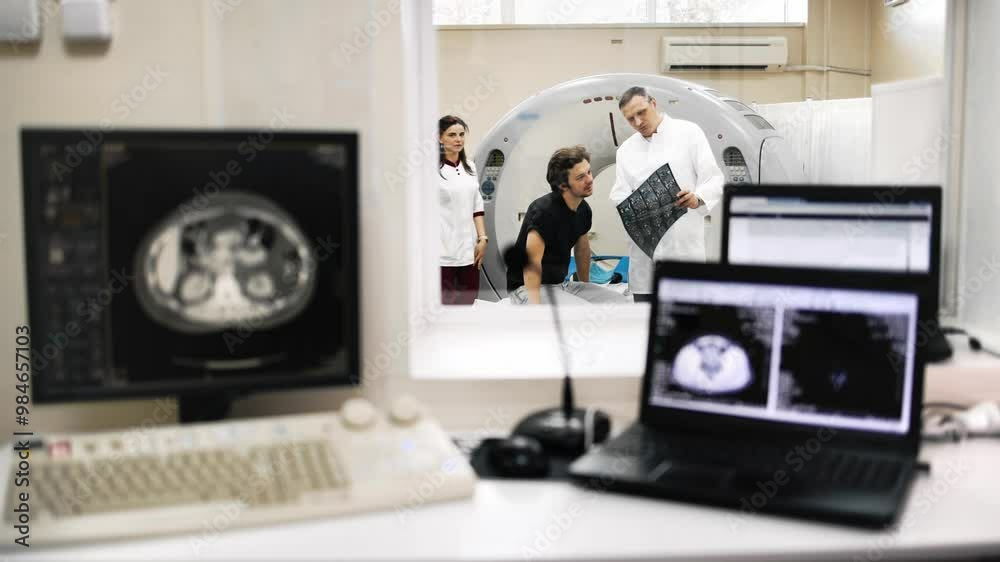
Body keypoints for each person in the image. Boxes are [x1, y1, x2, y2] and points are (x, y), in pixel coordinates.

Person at [610, 86, 724, 302]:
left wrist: (697, 198)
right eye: (630, 118)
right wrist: (635, 205)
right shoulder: (626, 150)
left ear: (653, 103)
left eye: (641, 112)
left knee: (685, 323)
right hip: (644, 256)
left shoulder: (688, 133)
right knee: (645, 325)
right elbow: (619, 193)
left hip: (684, 249)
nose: (637, 122)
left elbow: (714, 179)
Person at [507, 146, 630, 306]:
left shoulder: (583, 209)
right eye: (580, 177)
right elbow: (532, 264)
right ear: (563, 185)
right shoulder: (543, 212)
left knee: (620, 302)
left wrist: (586, 287)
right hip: (527, 288)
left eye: (589, 172)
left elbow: (582, 250)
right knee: (583, 312)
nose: (590, 179)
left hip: (561, 285)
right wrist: (534, 311)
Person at [438, 115, 488, 305]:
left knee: (468, 303)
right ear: (439, 138)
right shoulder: (431, 171)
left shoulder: (471, 168)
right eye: (452, 135)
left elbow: (477, 206)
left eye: (461, 134)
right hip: (442, 253)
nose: (458, 139)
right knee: (445, 307)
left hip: (469, 251)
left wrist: (483, 239)